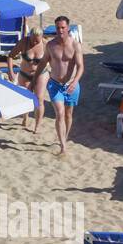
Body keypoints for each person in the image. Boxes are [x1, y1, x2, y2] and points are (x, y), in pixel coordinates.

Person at [44, 16, 83, 156]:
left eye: (62, 27)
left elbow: (80, 67)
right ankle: (63, 147)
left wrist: (75, 81)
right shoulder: (50, 45)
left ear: (68, 28)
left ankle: (64, 138)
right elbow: (43, 62)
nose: (60, 30)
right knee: (59, 113)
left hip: (71, 85)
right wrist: (36, 78)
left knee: (68, 114)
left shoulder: (75, 45)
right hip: (55, 84)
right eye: (58, 28)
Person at [6, 28, 48, 133]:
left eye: (37, 41)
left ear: (41, 38)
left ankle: (37, 126)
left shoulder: (46, 45)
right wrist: (10, 71)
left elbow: (54, 60)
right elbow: (10, 56)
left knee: (39, 99)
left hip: (41, 74)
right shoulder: (24, 42)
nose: (34, 42)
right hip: (24, 74)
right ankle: (25, 117)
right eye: (32, 39)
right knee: (26, 98)